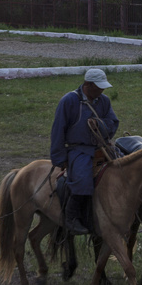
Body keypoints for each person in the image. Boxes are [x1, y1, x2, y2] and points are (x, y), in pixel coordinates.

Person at [50, 68, 119, 235]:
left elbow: (113, 123)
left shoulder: (104, 101)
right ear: (88, 85)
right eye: (99, 87)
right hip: (78, 149)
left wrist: (99, 124)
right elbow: (58, 130)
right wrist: (60, 159)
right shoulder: (69, 101)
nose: (102, 90)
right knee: (82, 178)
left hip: (101, 148)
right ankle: (72, 218)